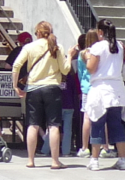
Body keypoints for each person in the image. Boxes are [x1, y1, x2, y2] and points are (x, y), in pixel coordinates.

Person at [12, 20, 78, 169]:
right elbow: (65, 70)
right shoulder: (57, 47)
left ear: (38, 33)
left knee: (33, 125)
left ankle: (30, 160)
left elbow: (16, 65)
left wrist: (16, 85)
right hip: (52, 88)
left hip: (34, 89)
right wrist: (69, 55)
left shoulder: (29, 47)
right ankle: (55, 161)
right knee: (54, 125)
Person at [84, 18, 125, 171]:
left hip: (101, 88)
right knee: (117, 125)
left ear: (100, 32)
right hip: (117, 88)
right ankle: (122, 159)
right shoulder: (120, 45)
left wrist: (87, 58)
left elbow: (91, 68)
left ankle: (95, 160)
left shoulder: (98, 47)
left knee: (97, 123)